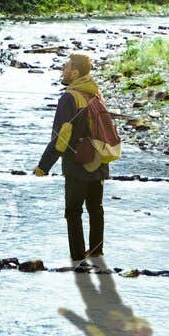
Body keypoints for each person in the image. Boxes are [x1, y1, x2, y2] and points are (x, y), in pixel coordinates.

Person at [33, 52, 109, 263]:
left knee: (73, 210)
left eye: (65, 67)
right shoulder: (96, 94)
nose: (63, 70)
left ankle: (77, 257)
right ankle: (96, 253)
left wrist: (43, 166)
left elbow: (61, 137)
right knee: (96, 209)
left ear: (75, 73)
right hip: (99, 159)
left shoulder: (69, 97)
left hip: (78, 162)